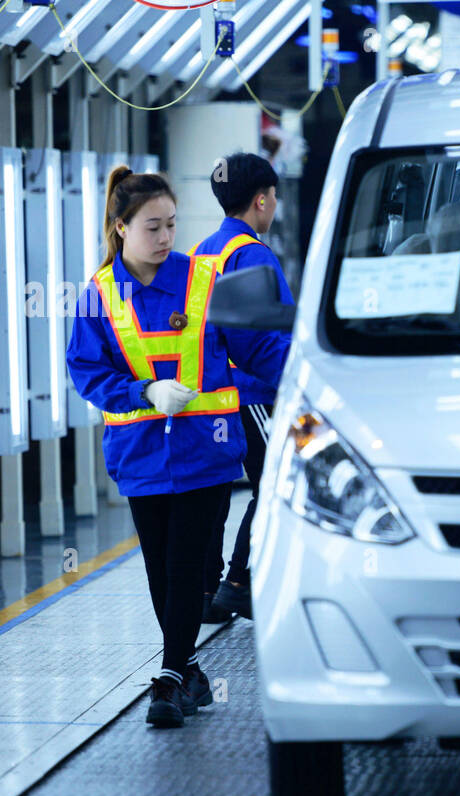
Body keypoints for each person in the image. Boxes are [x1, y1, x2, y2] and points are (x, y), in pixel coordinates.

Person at [66, 166, 290, 727]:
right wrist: (144, 389)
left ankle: (167, 679)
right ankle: (188, 669)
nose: (166, 238)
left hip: (207, 452)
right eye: (152, 228)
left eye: (171, 225)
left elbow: (259, 347)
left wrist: (316, 373)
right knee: (161, 571)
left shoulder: (205, 280)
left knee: (190, 565)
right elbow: (86, 369)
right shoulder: (98, 295)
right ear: (121, 228)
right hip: (139, 455)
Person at [193, 153, 294, 622]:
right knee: (275, 484)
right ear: (260, 199)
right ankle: (239, 581)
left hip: (215, 395)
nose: (275, 204)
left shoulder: (204, 250)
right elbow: (259, 338)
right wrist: (295, 384)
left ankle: (206, 591)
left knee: (215, 494)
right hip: (254, 392)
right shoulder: (252, 253)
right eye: (273, 196)